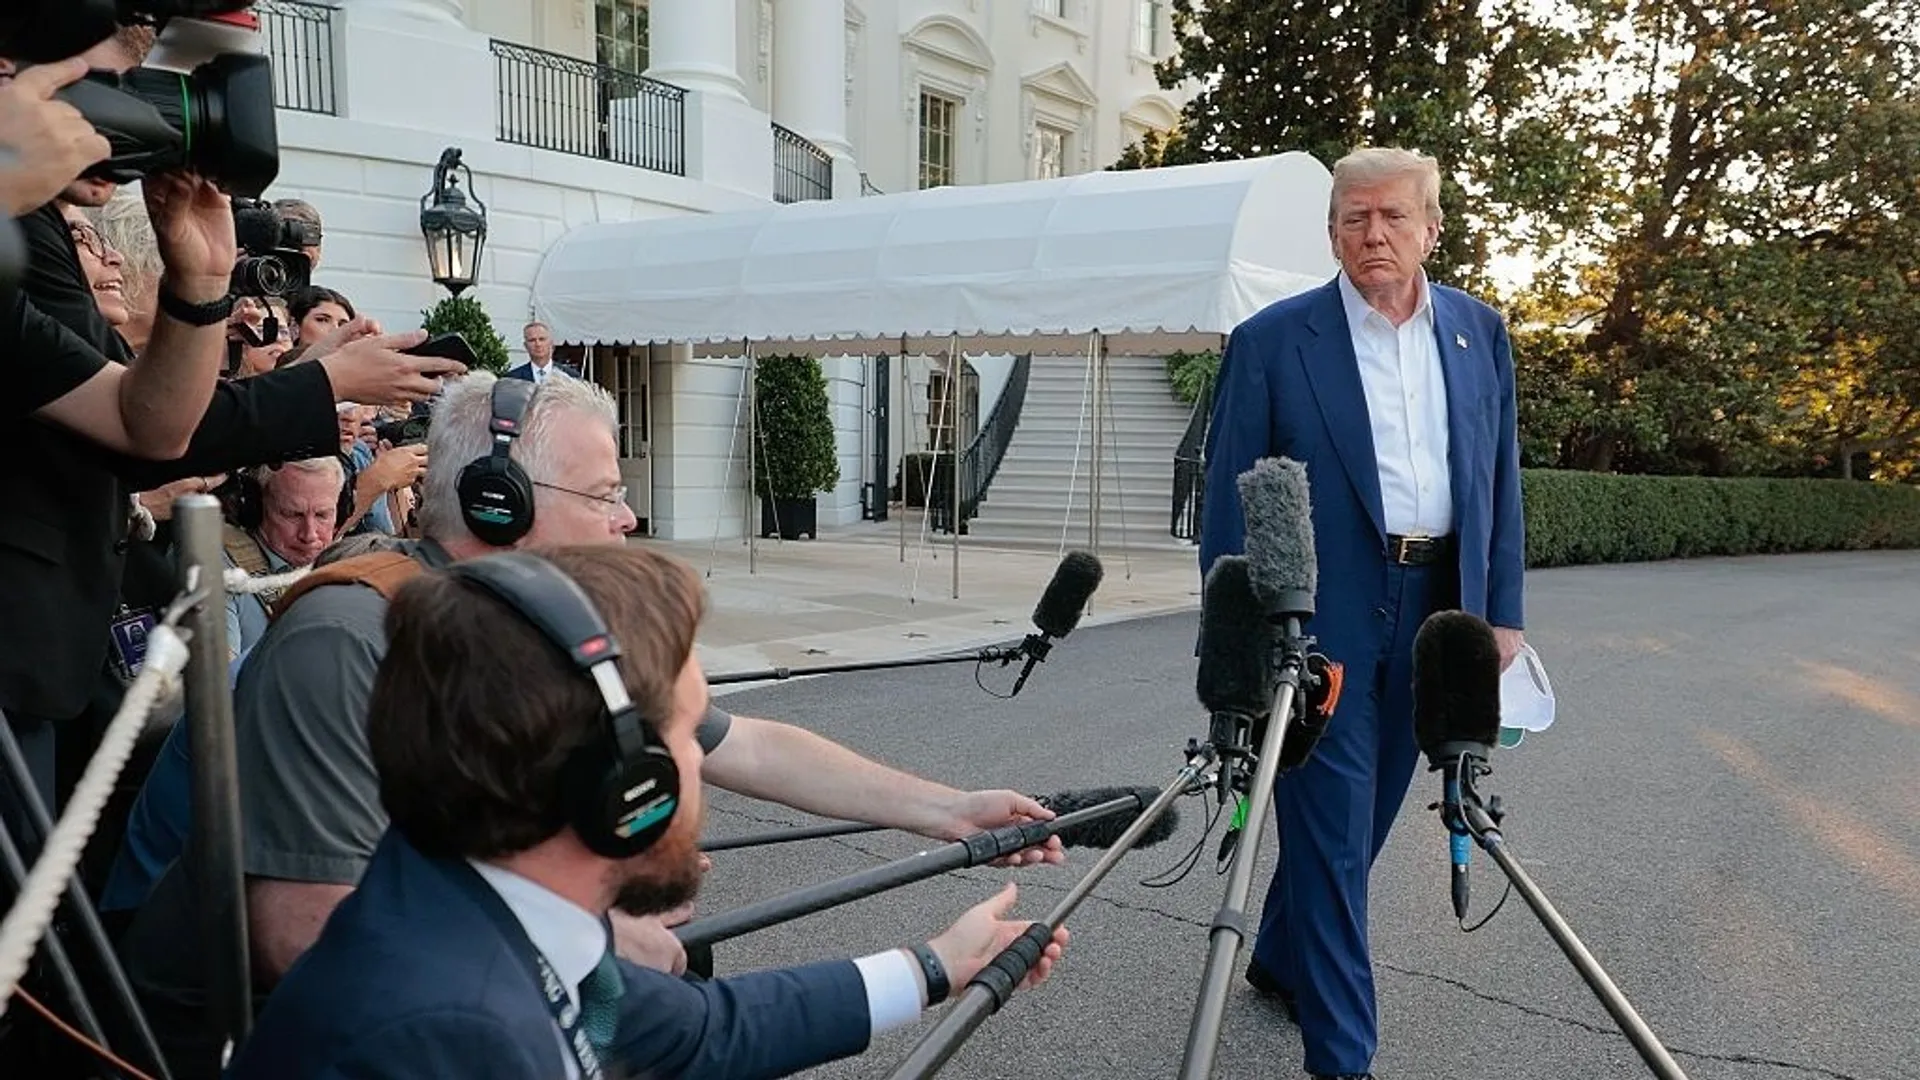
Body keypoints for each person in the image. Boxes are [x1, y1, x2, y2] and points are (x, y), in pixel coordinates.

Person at [116, 372, 1067, 1079]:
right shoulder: (349, 637)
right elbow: (304, 931)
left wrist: (946, 820)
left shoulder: (528, 629)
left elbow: (734, 751)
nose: (628, 514)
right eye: (605, 491)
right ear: (502, 498)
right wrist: (596, 940)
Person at [223, 544, 1070, 1079]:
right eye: (687, 741)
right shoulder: (446, 1033)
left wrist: (937, 965)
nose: (704, 762)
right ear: (627, 784)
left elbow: (700, 1034)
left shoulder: (486, 906)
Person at [1197, 146, 1527, 1080]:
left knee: (1369, 818)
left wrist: (1499, 616)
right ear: (1333, 228)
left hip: (1435, 612)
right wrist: (1237, 647)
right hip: (1321, 615)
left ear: (1430, 227)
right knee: (1336, 829)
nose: (1371, 234)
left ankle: (1278, 956)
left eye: (1391, 217)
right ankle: (1343, 1059)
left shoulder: (1478, 332)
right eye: (1353, 218)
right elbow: (1230, 507)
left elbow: (1497, 481)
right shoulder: (1273, 341)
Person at [507, 320, 581, 383]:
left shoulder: (571, 377)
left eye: (542, 339)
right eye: (532, 340)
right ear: (525, 346)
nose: (538, 344)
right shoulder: (512, 379)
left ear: (551, 343)